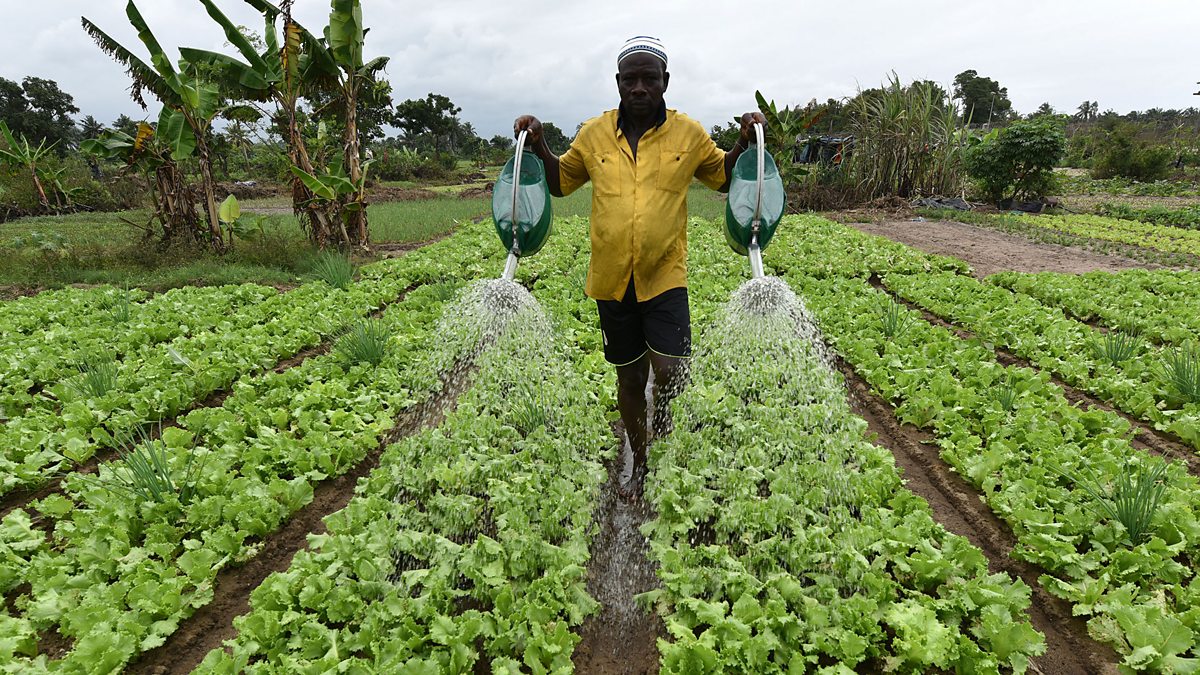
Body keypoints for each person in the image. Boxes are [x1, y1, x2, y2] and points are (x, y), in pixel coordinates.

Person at [514, 35, 765, 496]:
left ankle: (664, 434)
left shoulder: (688, 134)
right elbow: (560, 183)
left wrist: (744, 143)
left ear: (665, 82)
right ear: (618, 83)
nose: (640, 87)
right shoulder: (593, 134)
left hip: (666, 275)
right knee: (629, 376)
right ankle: (641, 461)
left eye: (650, 78)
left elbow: (723, 176)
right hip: (612, 280)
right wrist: (540, 145)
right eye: (631, 79)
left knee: (670, 370)